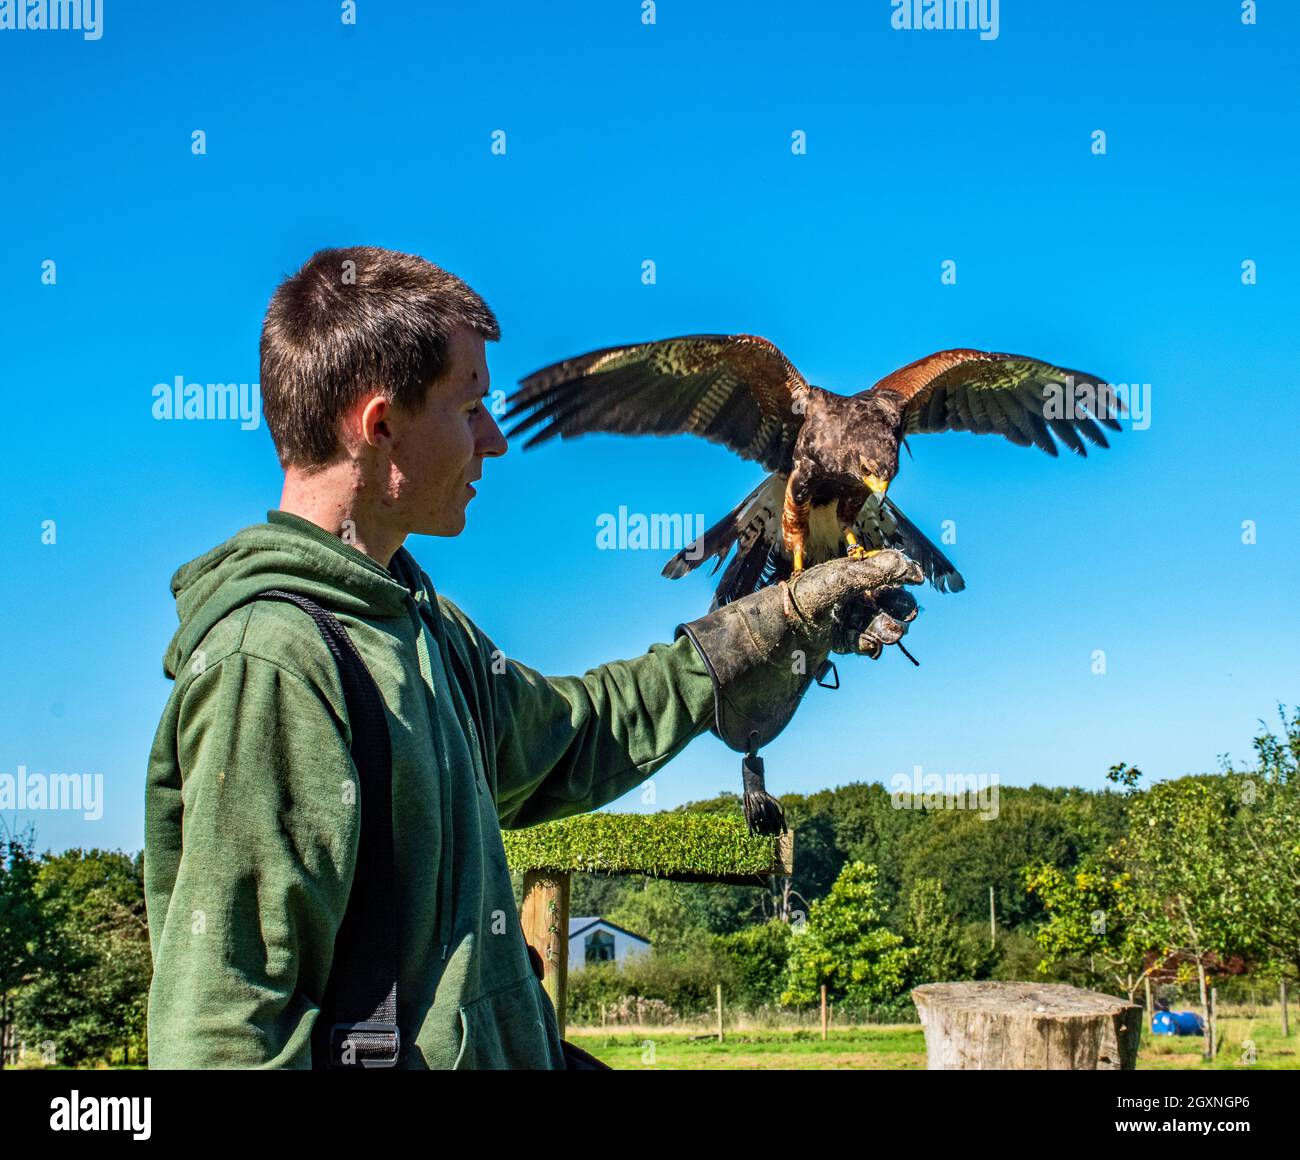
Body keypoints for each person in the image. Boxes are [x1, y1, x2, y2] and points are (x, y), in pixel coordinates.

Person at [143, 245, 925, 1069]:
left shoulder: (421, 627)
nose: (495, 439)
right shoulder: (270, 668)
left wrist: (766, 626)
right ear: (379, 428)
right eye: (471, 404)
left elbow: (576, 733)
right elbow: (223, 1036)